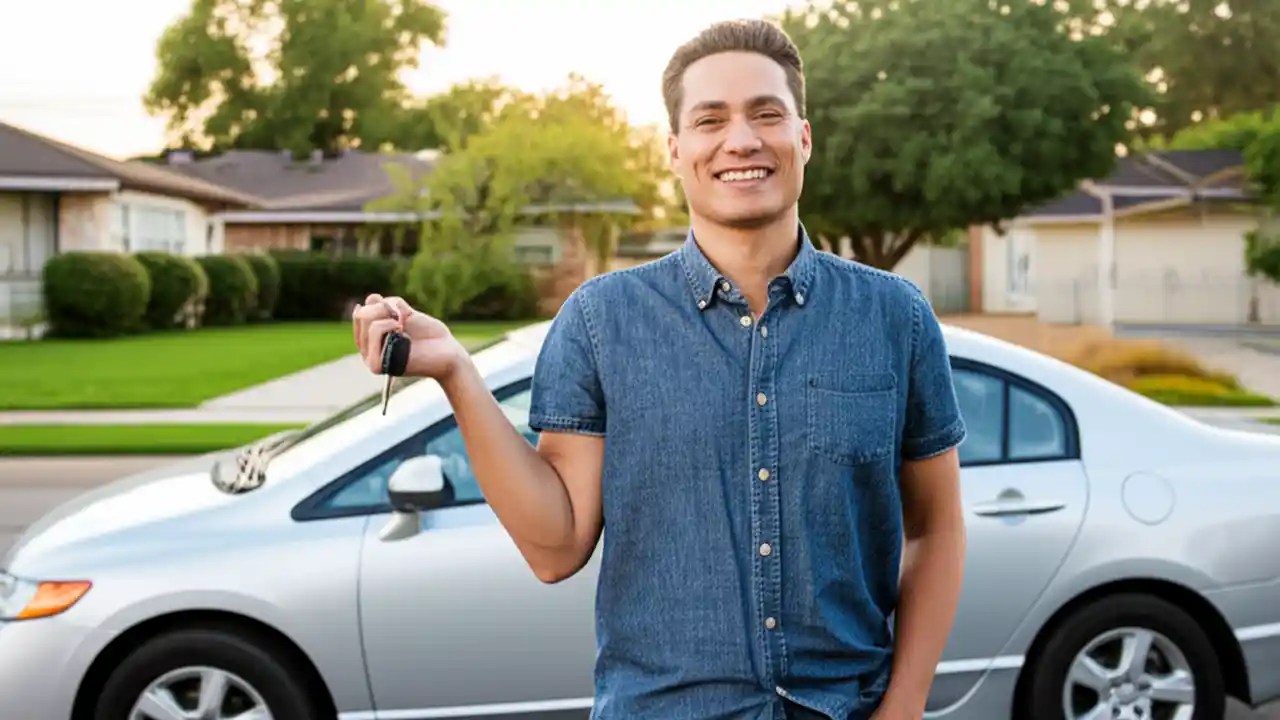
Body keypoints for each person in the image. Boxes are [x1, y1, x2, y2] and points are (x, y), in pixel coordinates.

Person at [351, 18, 968, 720]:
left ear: (803, 138)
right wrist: (458, 373)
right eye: (711, 120)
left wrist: (906, 705)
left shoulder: (894, 317)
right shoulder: (598, 321)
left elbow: (937, 528)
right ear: (676, 151)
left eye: (767, 114)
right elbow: (556, 548)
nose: (741, 139)